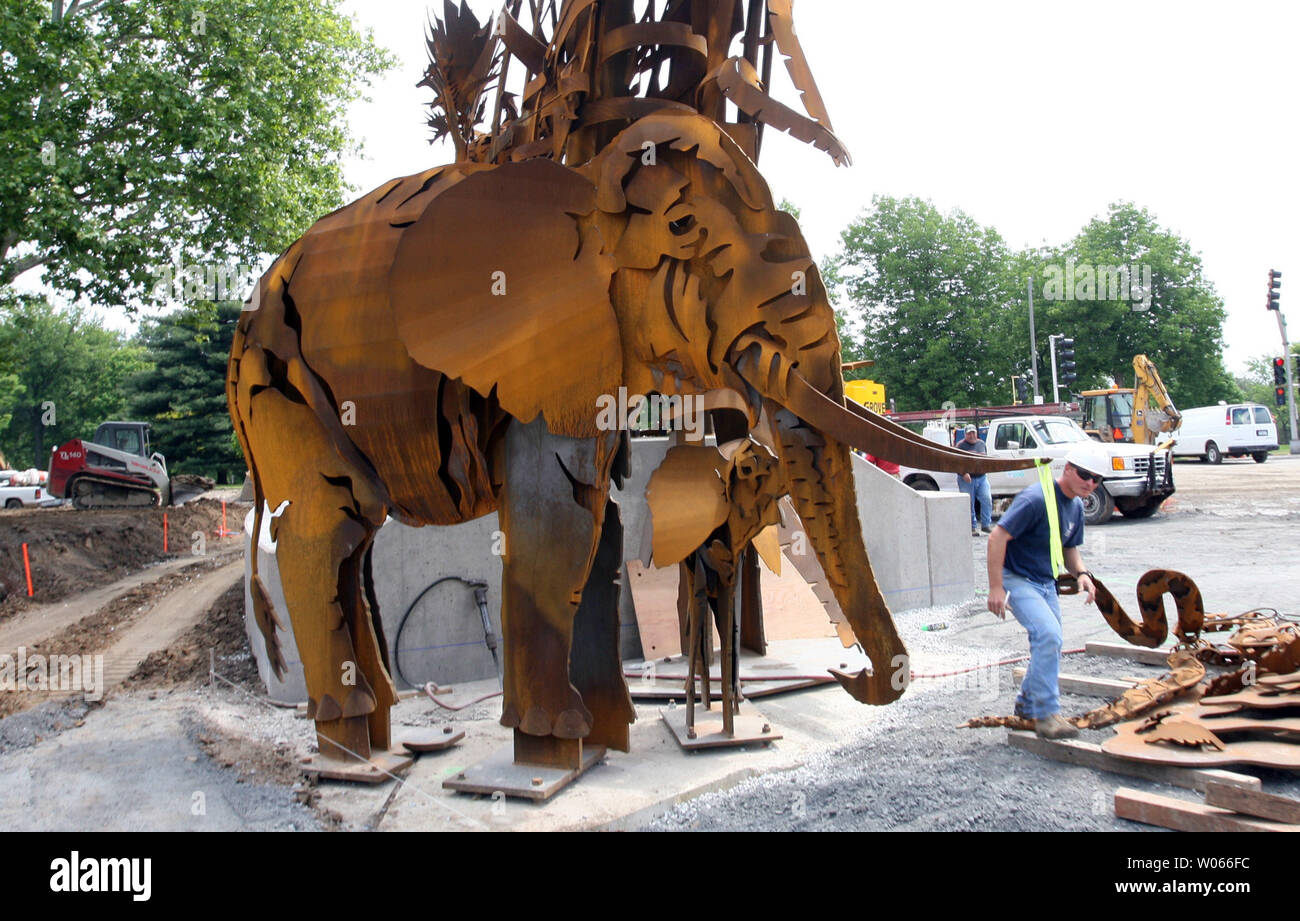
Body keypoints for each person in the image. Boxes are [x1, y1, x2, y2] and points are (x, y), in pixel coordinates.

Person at [985, 443, 1106, 740]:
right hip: (1018, 579)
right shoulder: (1035, 499)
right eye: (1084, 474)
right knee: (1048, 635)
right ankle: (1045, 715)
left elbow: (1069, 550)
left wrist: (1083, 574)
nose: (1090, 483)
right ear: (1067, 469)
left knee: (1050, 641)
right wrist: (996, 587)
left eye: (1096, 479)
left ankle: (1027, 704)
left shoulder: (1076, 505)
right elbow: (997, 537)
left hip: (1045, 582)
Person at [955, 424, 992, 536]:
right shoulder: (960, 446)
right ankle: (972, 527)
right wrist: (963, 473)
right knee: (969, 503)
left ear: (976, 433)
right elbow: (955, 463)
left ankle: (986, 525)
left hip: (982, 477)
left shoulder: (981, 444)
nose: (971, 435)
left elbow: (986, 460)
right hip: (966, 479)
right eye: (969, 433)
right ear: (965, 434)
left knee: (987, 499)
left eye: (973, 433)